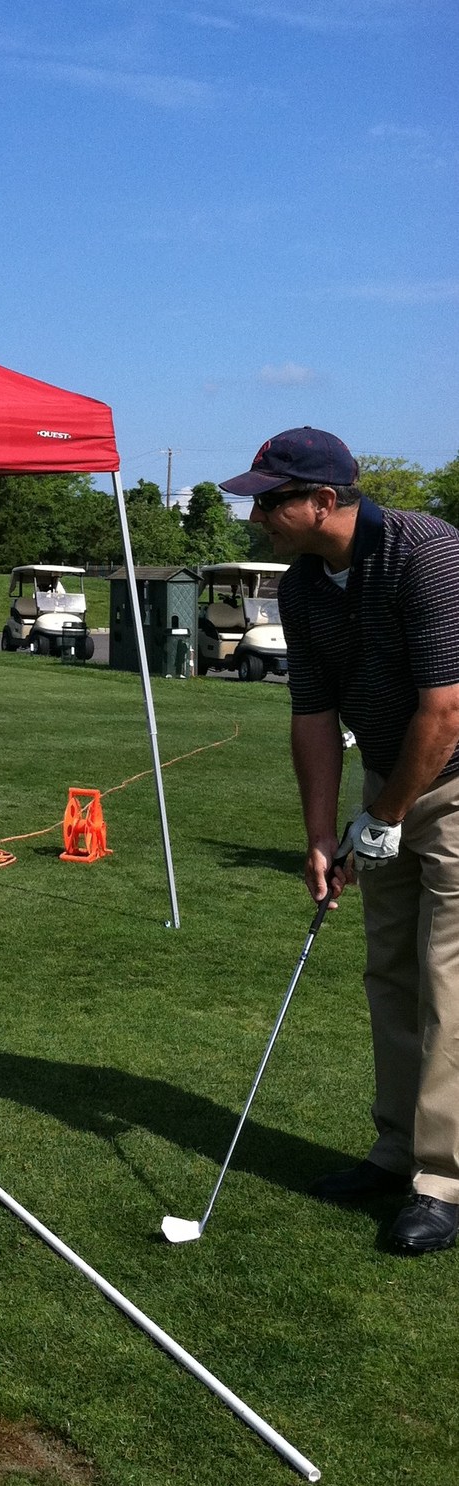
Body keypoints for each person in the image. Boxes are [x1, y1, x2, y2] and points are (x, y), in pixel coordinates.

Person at [220, 427, 459, 1254]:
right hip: (388, 779)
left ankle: (442, 1180)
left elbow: (444, 710)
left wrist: (384, 819)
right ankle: (397, 1149)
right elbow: (313, 717)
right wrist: (322, 834)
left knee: (446, 982)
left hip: (453, 779)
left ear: (323, 501)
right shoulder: (300, 587)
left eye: (269, 502)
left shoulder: (426, 554)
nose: (256, 517)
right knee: (387, 972)